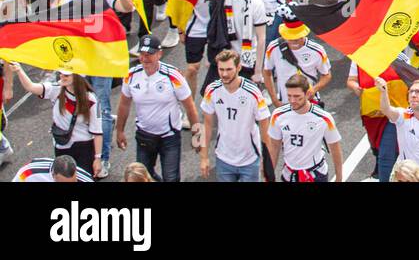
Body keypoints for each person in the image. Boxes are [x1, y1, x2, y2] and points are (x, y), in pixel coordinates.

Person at [115, 33, 200, 183]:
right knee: (142, 176)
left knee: (171, 178)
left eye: (149, 54)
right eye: (142, 54)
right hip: (144, 135)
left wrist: (197, 135)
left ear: (159, 54)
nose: (145, 58)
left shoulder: (173, 76)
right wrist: (120, 130)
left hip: (169, 136)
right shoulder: (131, 75)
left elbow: (190, 106)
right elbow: (124, 104)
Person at [7, 65, 103, 178]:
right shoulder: (55, 90)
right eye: (61, 73)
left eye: (66, 75)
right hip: (61, 147)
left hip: (84, 148)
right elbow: (31, 87)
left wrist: (97, 158)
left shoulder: (91, 100)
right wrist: (19, 70)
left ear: (77, 77)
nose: (62, 76)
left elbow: (97, 132)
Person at [199, 48, 271, 182]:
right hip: (223, 158)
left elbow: (264, 126)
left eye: (229, 69)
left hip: (250, 159)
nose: (224, 74)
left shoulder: (253, 92)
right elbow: (207, 125)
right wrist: (204, 157)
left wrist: (266, 161)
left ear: (239, 67)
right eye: (221, 70)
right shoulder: (211, 90)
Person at [267, 73, 344, 182]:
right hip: (289, 174)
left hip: (315, 175)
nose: (292, 100)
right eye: (289, 96)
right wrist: (269, 175)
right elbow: (274, 147)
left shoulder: (323, 118)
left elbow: (335, 150)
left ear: (308, 94)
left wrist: (339, 178)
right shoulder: (278, 115)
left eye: (297, 96)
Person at [262, 20, 331, 105]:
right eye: (290, 38)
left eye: (298, 38)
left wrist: (314, 89)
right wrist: (274, 99)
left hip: (309, 102)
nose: (294, 41)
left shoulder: (317, 50)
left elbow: (326, 75)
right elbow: (266, 72)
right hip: (285, 103)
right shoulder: (273, 48)